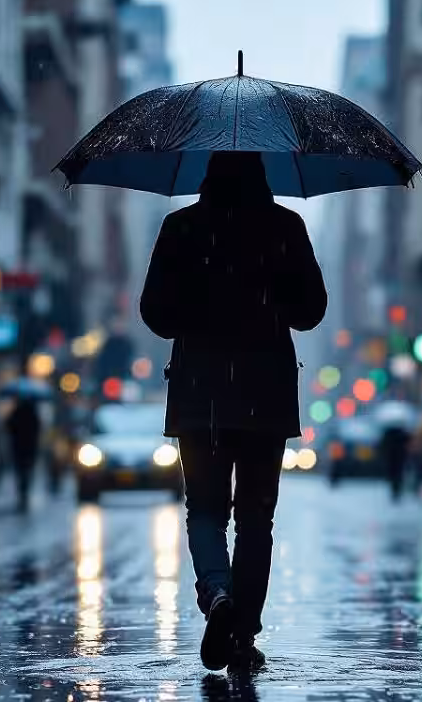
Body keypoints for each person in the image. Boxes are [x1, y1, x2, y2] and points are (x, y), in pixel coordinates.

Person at [140, 151, 327, 672]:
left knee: (204, 510)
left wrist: (196, 302)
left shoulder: (181, 227)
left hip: (201, 393)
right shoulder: (284, 226)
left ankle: (217, 595)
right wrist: (272, 290)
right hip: (264, 394)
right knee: (255, 519)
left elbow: (154, 313)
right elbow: (312, 311)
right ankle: (242, 636)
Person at [6, 397, 41, 512]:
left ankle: (22, 496)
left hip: (19, 447)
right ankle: (24, 496)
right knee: (26, 472)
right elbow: (38, 429)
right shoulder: (33, 414)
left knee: (21, 472)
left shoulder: (16, 413)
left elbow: (8, 426)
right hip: (29, 448)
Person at [381, 421, 411, 501]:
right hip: (400, 457)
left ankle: (395, 490)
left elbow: (383, 445)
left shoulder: (388, 433)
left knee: (393, 474)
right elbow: (408, 441)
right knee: (398, 474)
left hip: (392, 458)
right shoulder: (402, 433)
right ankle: (397, 490)